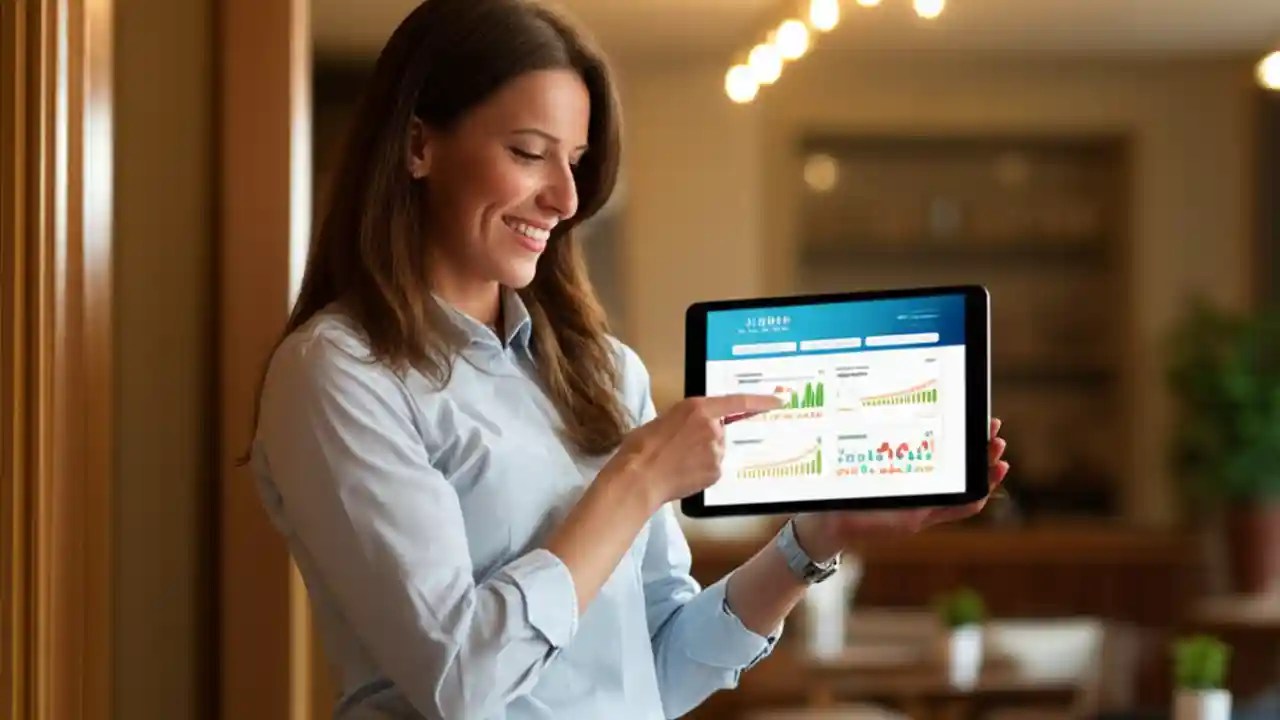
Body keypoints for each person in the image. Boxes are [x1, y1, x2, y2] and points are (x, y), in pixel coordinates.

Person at [247, 1, 1011, 718]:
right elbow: (463, 681)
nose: (566, 198)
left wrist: (818, 538)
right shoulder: (338, 373)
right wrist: (637, 477)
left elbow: (662, 669)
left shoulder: (603, 373)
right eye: (528, 153)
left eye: (576, 161)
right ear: (419, 146)